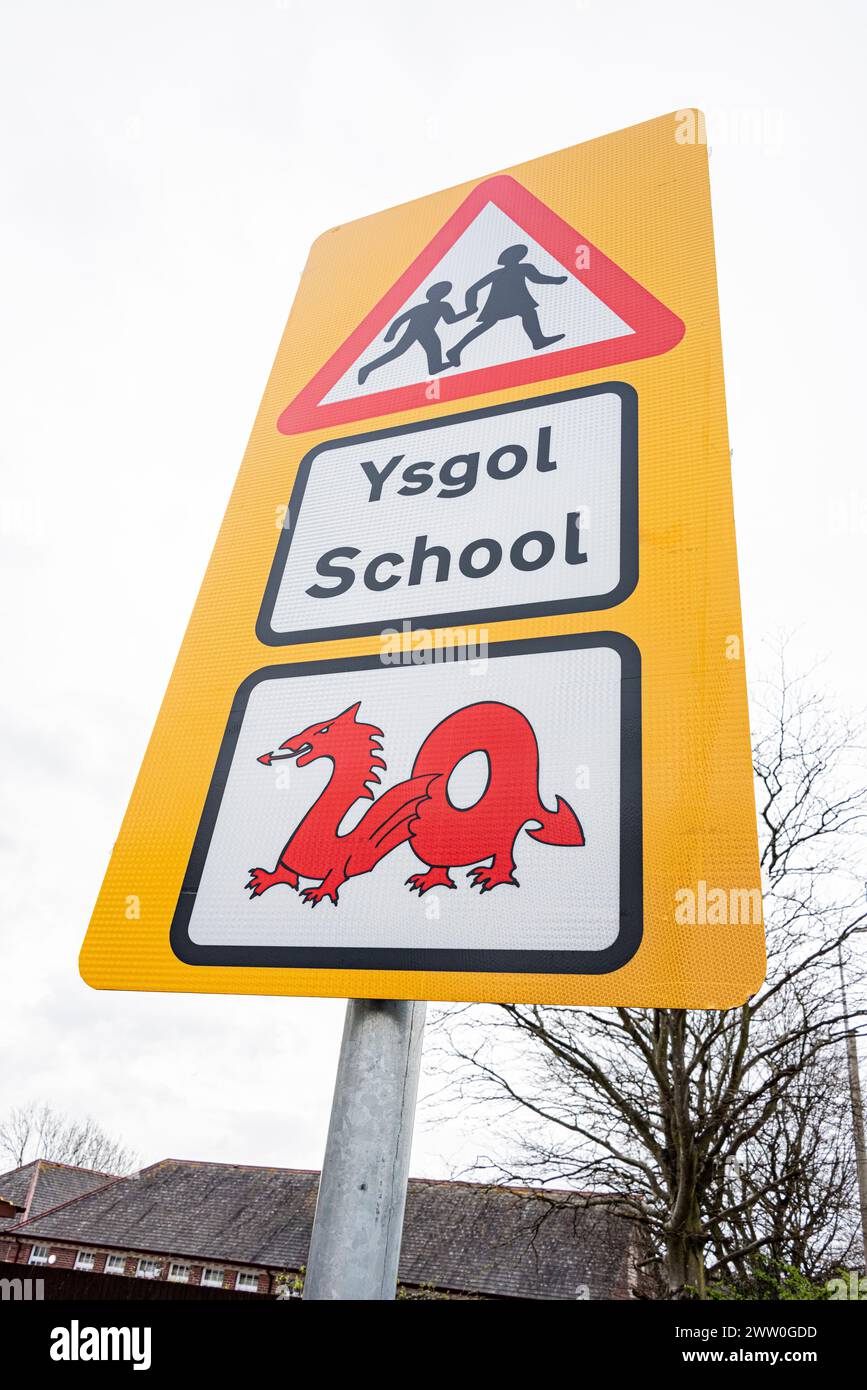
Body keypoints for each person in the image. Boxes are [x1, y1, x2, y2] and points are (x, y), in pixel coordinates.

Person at [446, 244, 567, 368]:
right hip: (510, 301)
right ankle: (538, 340)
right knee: (528, 313)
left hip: (503, 303)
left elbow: (472, 290)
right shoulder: (521, 268)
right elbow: (538, 279)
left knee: (524, 314)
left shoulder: (503, 272)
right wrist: (556, 280)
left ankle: (455, 349)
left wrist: (471, 307)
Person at [357, 281, 469, 385]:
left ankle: (366, 368)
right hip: (416, 331)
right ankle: (366, 369)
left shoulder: (442, 306)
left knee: (425, 359)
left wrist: (468, 313)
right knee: (397, 352)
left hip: (426, 332)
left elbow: (450, 320)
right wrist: (390, 335)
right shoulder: (429, 306)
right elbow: (400, 320)